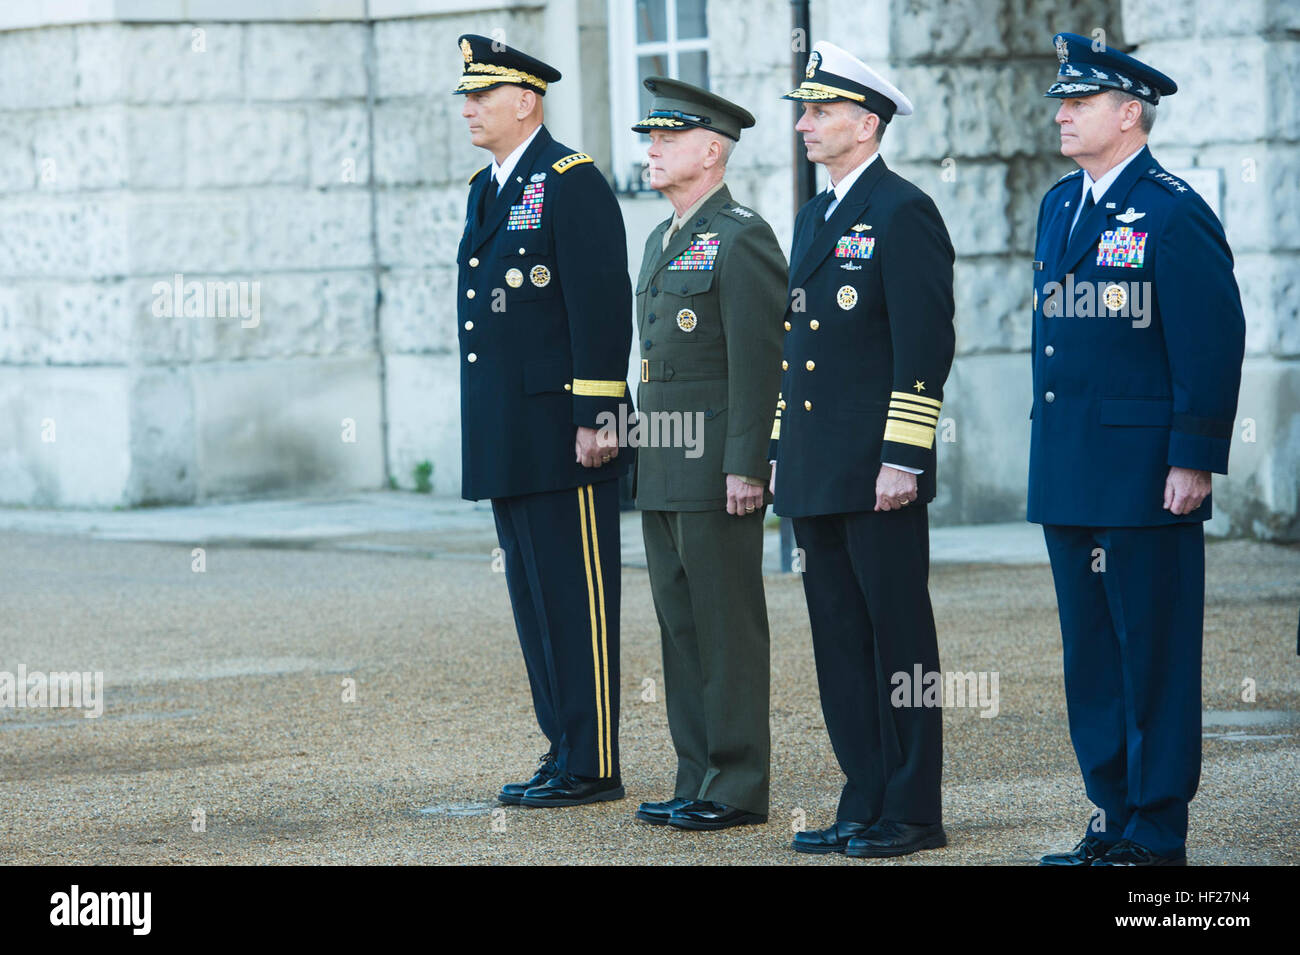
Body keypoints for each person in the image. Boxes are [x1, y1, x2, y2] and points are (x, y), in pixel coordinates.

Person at [1030, 33, 1245, 866]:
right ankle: (1112, 814)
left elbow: (1209, 342)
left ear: (1131, 114)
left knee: (1151, 654)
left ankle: (1157, 830)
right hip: (1069, 471)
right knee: (1090, 657)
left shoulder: (1171, 208)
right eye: (1062, 101)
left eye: (1080, 102)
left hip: (1143, 475)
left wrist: (1194, 456)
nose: (1064, 114)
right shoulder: (1060, 204)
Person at [769, 41, 955, 858]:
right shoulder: (816, 213)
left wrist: (904, 458)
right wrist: (782, 449)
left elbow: (925, 345)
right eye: (805, 112)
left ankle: (913, 806)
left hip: (878, 469)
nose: (806, 125)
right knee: (839, 639)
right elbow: (795, 343)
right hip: (819, 465)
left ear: (867, 121)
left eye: (821, 112)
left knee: (897, 635)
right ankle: (864, 795)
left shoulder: (903, 209)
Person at [453, 34, 633, 807]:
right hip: (508, 431)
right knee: (532, 596)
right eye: (466, 96)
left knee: (575, 594)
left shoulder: (571, 180)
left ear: (525, 100)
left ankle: (594, 760)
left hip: (567, 432)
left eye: (481, 96)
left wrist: (599, 412)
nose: (469, 108)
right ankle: (562, 746)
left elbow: (600, 299)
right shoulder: (485, 187)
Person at [627, 78, 787, 832]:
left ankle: (737, 784)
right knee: (680, 625)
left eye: (668, 139)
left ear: (712, 150)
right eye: (650, 139)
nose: (652, 150)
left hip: (716, 467)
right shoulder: (663, 236)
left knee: (726, 626)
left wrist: (747, 462)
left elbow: (760, 362)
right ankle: (696, 774)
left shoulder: (742, 233)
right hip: (662, 461)